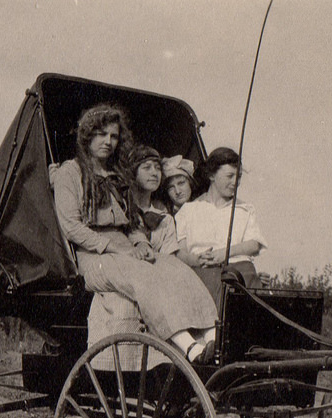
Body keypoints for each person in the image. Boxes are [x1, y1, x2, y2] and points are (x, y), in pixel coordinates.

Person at [50, 104, 217, 363]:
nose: (108, 141)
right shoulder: (69, 173)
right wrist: (111, 246)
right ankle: (188, 346)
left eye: (114, 136)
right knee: (144, 276)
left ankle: (210, 335)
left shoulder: (117, 176)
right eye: (101, 134)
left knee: (174, 267)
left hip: (126, 249)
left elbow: (133, 222)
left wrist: (141, 242)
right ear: (87, 135)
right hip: (95, 257)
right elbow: (71, 227)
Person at [174, 147, 266, 307]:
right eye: (230, 176)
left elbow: (254, 244)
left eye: (239, 177)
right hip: (202, 273)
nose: (235, 183)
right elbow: (180, 251)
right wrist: (196, 259)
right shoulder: (188, 211)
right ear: (211, 175)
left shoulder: (244, 209)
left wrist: (223, 253)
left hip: (240, 273)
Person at [129, 145, 179, 255]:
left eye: (158, 168)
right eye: (147, 167)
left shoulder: (166, 220)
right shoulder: (123, 211)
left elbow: (170, 260)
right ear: (133, 173)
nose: (154, 173)